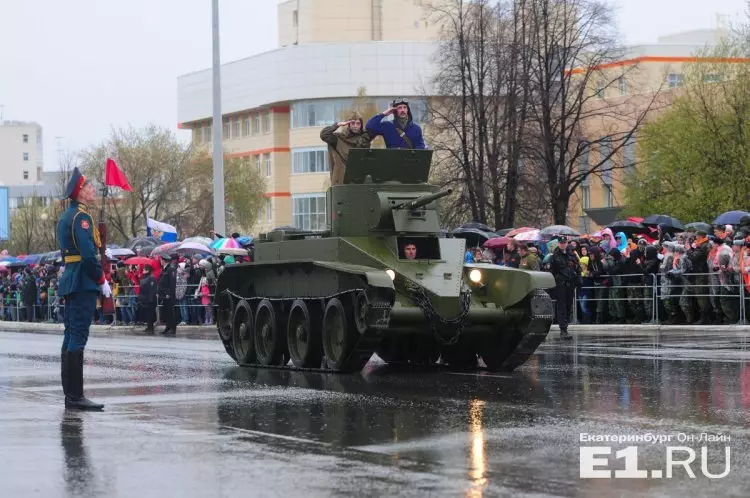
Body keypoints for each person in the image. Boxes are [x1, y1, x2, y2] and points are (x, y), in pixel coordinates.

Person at [56, 167, 110, 410]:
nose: (92, 190)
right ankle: (75, 397)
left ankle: (71, 395)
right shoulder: (82, 218)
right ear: (79, 192)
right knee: (78, 336)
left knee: (70, 336)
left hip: (71, 278)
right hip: (82, 281)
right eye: (88, 187)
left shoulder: (66, 216)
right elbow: (88, 256)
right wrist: (101, 279)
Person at [320, 113, 374, 185]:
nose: (355, 126)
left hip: (359, 180)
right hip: (342, 180)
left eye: (358, 123)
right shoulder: (340, 139)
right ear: (349, 124)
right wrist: (337, 124)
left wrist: (383, 114)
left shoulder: (364, 140)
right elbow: (324, 135)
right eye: (353, 123)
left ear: (361, 125)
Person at [548, 236, 579, 340]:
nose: (563, 244)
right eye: (561, 242)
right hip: (560, 284)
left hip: (570, 283)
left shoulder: (571, 255)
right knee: (561, 306)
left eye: (564, 242)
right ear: (558, 243)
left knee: (568, 306)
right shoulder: (554, 256)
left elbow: (577, 267)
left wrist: (578, 280)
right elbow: (551, 271)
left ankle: (565, 327)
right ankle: (563, 330)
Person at [157, 254, 178, 336]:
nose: (160, 261)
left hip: (169, 295)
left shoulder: (171, 269)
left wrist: (169, 294)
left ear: (163, 260)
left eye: (161, 260)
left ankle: (173, 328)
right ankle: (168, 326)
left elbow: (172, 283)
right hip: (164, 294)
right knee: (166, 311)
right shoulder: (164, 269)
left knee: (170, 312)